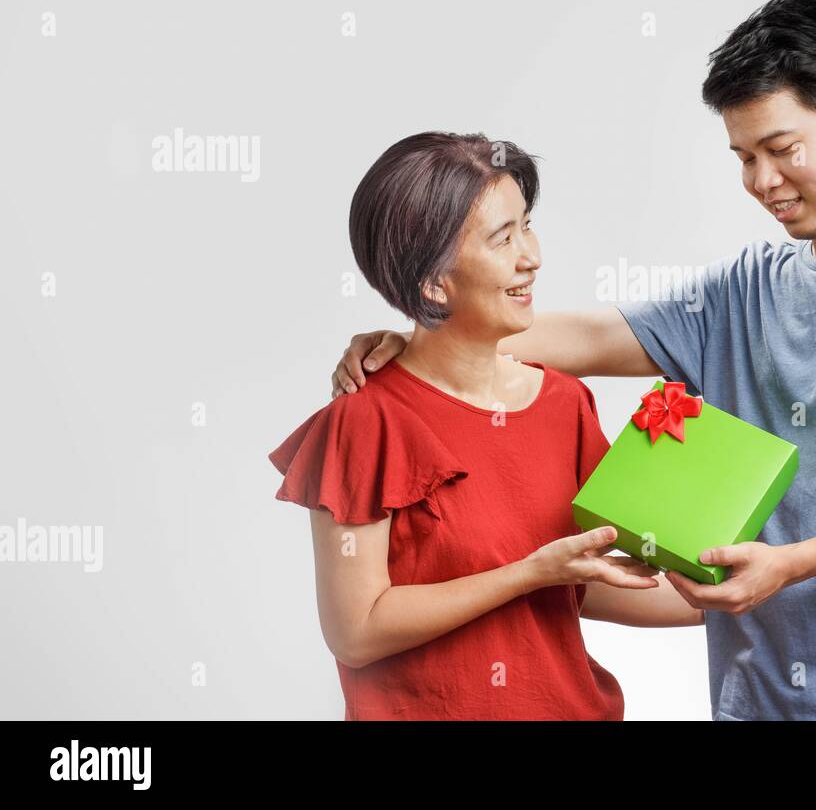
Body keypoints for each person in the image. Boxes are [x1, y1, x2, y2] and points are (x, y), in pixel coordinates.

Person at [333, 0, 816, 720]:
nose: (762, 181)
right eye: (744, 157)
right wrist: (423, 334)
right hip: (752, 704)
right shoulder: (744, 292)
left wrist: (791, 563)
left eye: (782, 150)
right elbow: (585, 338)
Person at [269, 132, 701, 721]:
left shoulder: (564, 402)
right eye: (504, 239)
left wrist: (734, 593)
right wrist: (526, 573)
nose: (532, 255)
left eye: (526, 224)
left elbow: (580, 581)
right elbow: (357, 629)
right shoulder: (367, 419)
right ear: (432, 284)